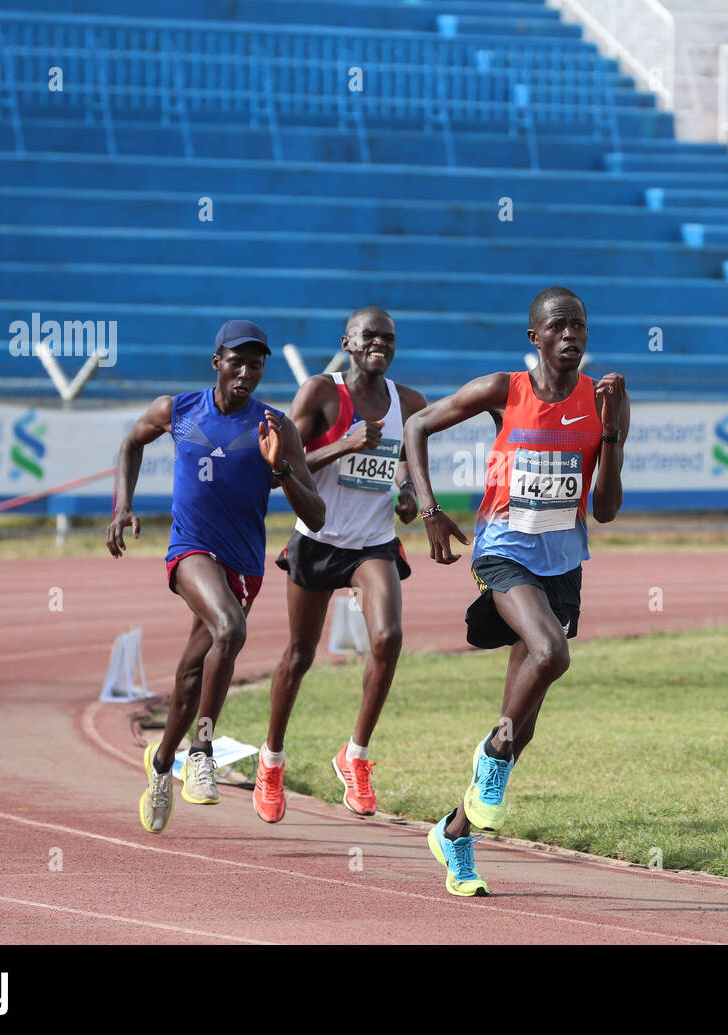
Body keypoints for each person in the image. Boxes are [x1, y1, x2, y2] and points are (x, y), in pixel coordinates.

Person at [402, 286, 629, 895]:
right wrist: (428, 508)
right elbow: (417, 425)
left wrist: (613, 437)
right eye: (557, 326)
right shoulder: (505, 390)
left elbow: (604, 512)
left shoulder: (597, 401)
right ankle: (492, 750)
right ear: (535, 337)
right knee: (551, 655)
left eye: (578, 325)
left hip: (562, 564)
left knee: (524, 719)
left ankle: (454, 835)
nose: (570, 335)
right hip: (503, 553)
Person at [107, 319, 325, 835]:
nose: (246, 371)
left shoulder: (274, 427)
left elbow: (315, 516)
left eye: (256, 363)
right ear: (217, 363)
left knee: (189, 674)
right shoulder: (179, 412)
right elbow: (131, 443)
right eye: (237, 360)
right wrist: (124, 506)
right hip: (190, 550)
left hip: (244, 565)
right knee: (230, 631)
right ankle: (201, 749)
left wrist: (282, 472)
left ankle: (162, 765)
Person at [253, 306, 427, 822]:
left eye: (388, 338)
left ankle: (356, 756)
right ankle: (272, 760)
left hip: (373, 543)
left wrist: (410, 497)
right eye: (369, 336)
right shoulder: (321, 393)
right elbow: (278, 468)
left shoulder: (410, 403)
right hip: (318, 538)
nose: (380, 344)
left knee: (388, 639)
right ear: (347, 343)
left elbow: (410, 472)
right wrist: (346, 444)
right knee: (300, 655)